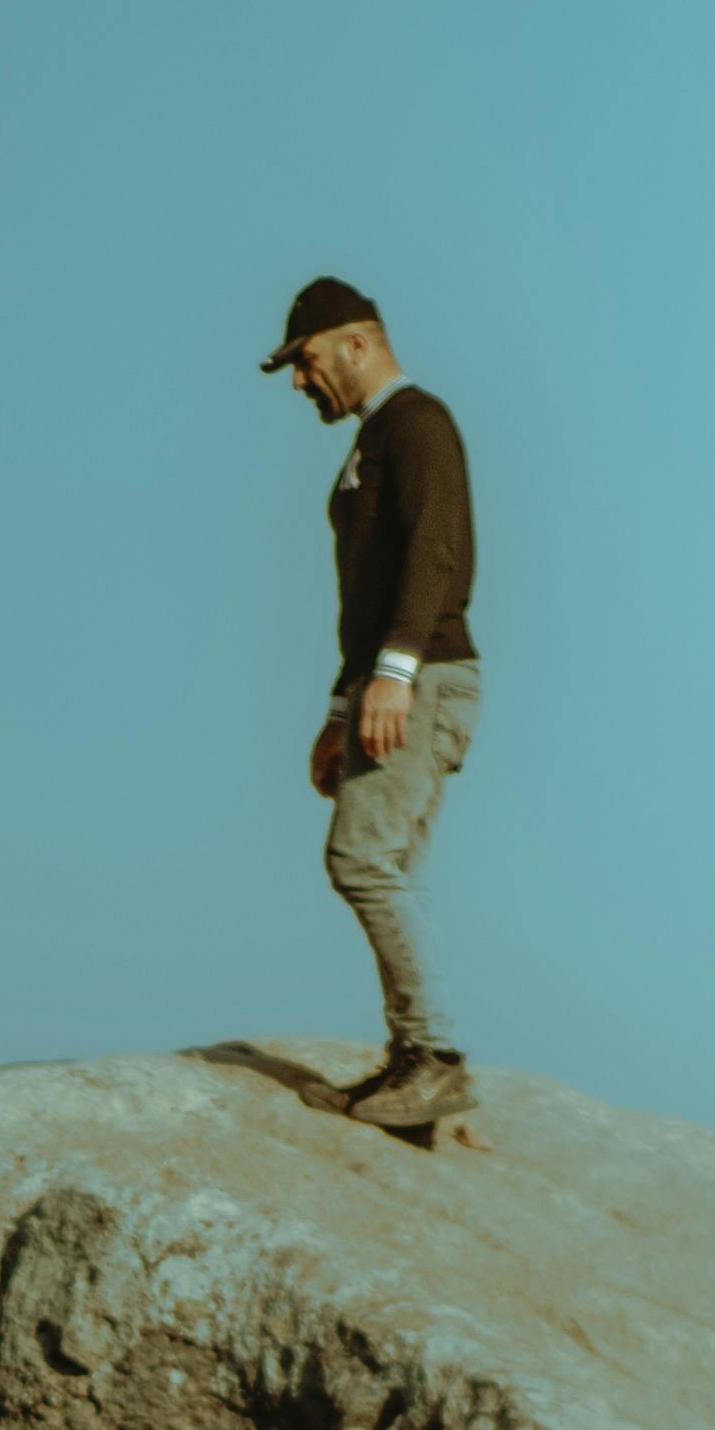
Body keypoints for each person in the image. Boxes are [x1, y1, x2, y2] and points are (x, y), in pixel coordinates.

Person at [259, 273, 478, 1136]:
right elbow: (375, 585)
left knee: (362, 861)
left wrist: (393, 675)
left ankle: (433, 1060)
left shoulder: (416, 424)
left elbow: (434, 552)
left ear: (358, 342)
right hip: (397, 677)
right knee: (393, 870)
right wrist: (345, 706)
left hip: (423, 674)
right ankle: (413, 1068)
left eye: (307, 361)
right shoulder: (376, 437)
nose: (300, 380)